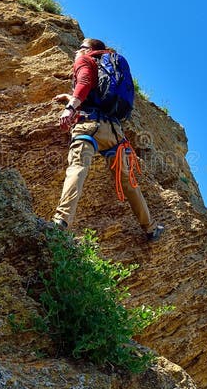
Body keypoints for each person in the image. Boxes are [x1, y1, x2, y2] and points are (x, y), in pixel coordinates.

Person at [52, 38, 164, 240]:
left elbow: (85, 83)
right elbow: (98, 96)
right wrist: (70, 98)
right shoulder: (111, 65)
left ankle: (62, 219)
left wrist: (70, 108)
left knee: (77, 167)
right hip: (114, 133)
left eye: (81, 47)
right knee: (129, 183)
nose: (78, 50)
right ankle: (151, 228)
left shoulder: (85, 60)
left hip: (88, 125)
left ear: (90, 50)